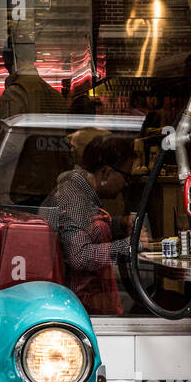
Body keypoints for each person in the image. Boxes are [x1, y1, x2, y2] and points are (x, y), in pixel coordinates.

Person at [41, 135, 144, 315]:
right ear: (105, 172)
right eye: (126, 175)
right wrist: (130, 246)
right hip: (79, 304)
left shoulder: (77, 190)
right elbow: (79, 256)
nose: (127, 183)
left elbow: (82, 228)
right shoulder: (75, 199)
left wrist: (120, 223)